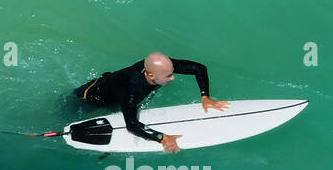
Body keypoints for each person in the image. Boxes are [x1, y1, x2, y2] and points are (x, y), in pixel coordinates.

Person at [75, 52, 229, 153]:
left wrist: (205, 96)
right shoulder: (132, 90)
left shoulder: (158, 67)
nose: (173, 77)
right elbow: (132, 125)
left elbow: (199, 68)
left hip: (110, 83)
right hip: (90, 98)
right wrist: (161, 138)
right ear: (150, 75)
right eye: (169, 76)